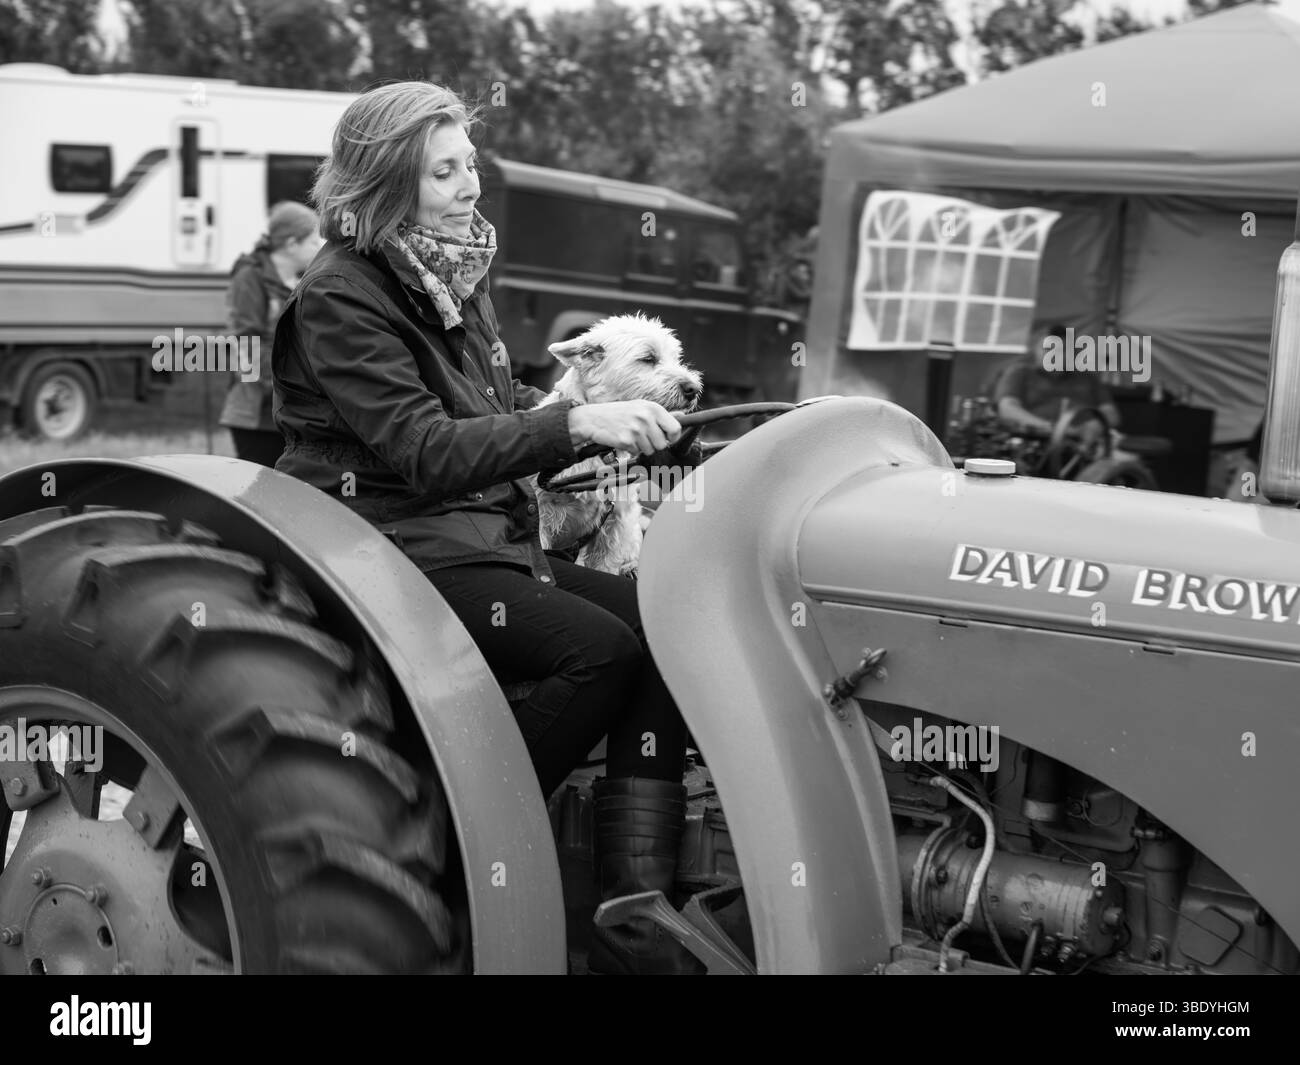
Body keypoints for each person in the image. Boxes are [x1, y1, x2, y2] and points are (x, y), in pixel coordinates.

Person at [270, 81, 702, 975]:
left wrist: (600, 443)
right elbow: (425, 451)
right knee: (601, 651)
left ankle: (633, 910)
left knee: (660, 622)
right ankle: (457, 844)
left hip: (480, 535)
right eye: (444, 172)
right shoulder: (341, 297)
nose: (470, 188)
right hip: (387, 547)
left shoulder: (454, 277)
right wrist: (574, 425)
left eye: (469, 166)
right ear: (387, 182)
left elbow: (495, 426)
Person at [219, 201, 323, 466]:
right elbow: (245, 344)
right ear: (291, 244)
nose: (319, 248)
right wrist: (287, 388)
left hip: (294, 410)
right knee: (259, 494)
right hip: (258, 413)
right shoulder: (249, 278)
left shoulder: (304, 281)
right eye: (313, 241)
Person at [995, 323, 1122, 439]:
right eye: (1048, 349)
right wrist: (1053, 429)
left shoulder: (1087, 378)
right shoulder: (1019, 373)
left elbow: (1111, 414)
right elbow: (1008, 409)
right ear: (1036, 350)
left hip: (1085, 443)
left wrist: (1095, 424)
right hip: (1036, 440)